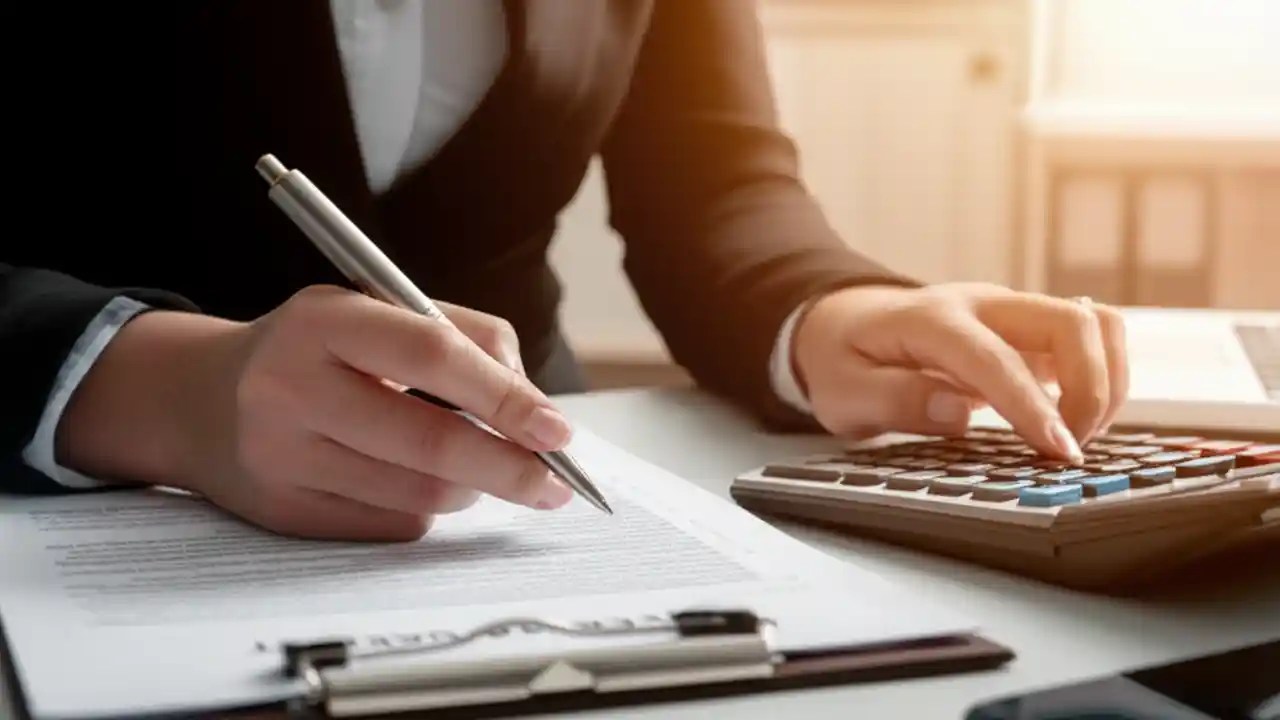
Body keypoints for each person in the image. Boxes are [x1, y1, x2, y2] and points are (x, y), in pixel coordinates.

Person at [2, 2, 1126, 541]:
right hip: (97, 519)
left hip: (541, 492)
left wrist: (832, 309)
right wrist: (159, 392)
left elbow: (713, 174)